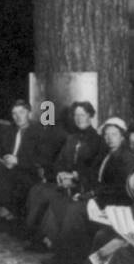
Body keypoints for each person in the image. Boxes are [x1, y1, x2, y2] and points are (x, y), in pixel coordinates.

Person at [41, 116, 134, 264]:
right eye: (106, 135)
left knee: (74, 210)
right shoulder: (106, 155)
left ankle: (72, 259)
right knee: (59, 202)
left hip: (111, 201)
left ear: (122, 136)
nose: (109, 138)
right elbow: (92, 176)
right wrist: (74, 180)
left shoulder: (125, 158)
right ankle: (59, 250)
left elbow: (118, 187)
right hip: (99, 196)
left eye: (114, 134)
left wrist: (90, 194)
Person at [23, 101, 104, 250]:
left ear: (90, 116)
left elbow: (95, 169)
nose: (79, 118)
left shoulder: (98, 141)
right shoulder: (71, 139)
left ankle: (48, 240)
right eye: (76, 115)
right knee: (37, 190)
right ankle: (35, 234)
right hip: (64, 181)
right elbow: (59, 162)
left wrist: (75, 176)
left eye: (83, 115)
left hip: (82, 184)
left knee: (50, 195)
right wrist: (60, 173)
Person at [0, 100, 49, 237]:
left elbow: (43, 159)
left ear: (29, 112)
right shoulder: (5, 131)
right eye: (14, 113)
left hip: (27, 174)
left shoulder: (40, 132)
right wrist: (3, 160)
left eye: (21, 112)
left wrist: (18, 161)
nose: (18, 117)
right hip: (4, 172)